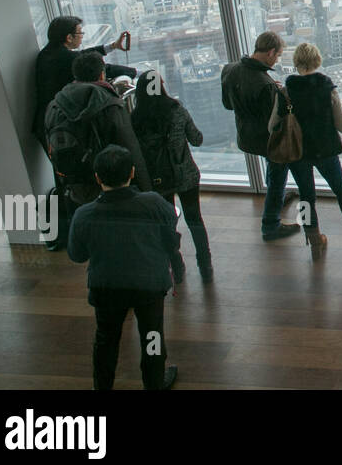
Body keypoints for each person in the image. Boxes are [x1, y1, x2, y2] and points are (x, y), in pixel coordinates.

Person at [68, 145, 184, 390]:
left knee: (106, 340)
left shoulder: (83, 215)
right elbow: (170, 239)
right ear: (132, 172)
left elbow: (77, 255)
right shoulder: (153, 203)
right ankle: (154, 383)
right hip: (149, 286)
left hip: (106, 287)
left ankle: (102, 386)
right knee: (152, 337)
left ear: (98, 177)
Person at [268, 42, 342, 260]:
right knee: (341, 190)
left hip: (298, 153)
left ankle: (315, 241)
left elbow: (272, 126)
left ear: (297, 62)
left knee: (306, 196)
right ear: (317, 60)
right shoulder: (327, 88)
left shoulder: (286, 91)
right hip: (326, 149)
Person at [132, 69, 214, 282]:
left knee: (166, 222)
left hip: (159, 179)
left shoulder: (136, 118)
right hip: (185, 174)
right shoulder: (176, 110)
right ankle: (205, 266)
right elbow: (197, 139)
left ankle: (176, 266)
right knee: (194, 218)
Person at [44, 51, 152, 209]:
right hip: (110, 189)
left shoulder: (54, 106)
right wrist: (146, 192)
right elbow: (131, 149)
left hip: (75, 188)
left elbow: (54, 149)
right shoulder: (109, 106)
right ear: (102, 75)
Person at [222, 31, 301, 241]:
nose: (276, 60)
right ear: (271, 52)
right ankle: (271, 224)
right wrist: (277, 95)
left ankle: (276, 199)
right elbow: (273, 123)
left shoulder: (231, 70)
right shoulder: (265, 84)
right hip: (264, 139)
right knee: (277, 173)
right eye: (277, 55)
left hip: (245, 135)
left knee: (273, 170)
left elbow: (228, 104)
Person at [33, 15, 135, 153]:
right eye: (80, 33)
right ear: (69, 38)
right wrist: (137, 72)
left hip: (47, 121)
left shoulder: (46, 54)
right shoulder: (67, 58)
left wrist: (112, 46)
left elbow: (81, 54)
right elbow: (102, 68)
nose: (82, 36)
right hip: (59, 125)